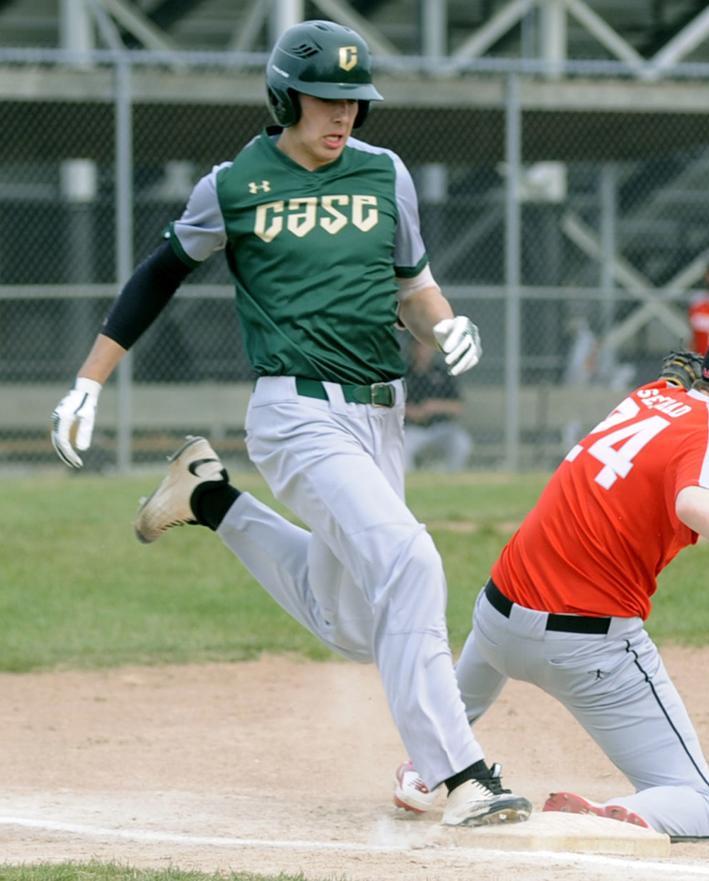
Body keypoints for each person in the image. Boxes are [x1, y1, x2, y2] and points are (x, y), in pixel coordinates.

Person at [48, 20, 530, 828]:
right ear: (284, 97)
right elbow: (156, 276)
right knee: (409, 558)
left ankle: (210, 500)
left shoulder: (386, 175)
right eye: (325, 98)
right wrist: (88, 381)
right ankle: (459, 774)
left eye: (355, 100)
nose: (342, 115)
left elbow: (413, 282)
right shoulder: (236, 184)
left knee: (352, 622)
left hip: (382, 415)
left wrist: (445, 323)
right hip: (296, 411)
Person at [395, 321, 709, 840]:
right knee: (702, 809)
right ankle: (602, 815)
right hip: (583, 649)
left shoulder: (649, 397)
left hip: (497, 618)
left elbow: (673, 392)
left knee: (479, 672)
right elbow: (694, 502)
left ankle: (423, 766)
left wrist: (682, 387)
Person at [403, 339, 473, 472]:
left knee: (461, 443)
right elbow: (392, 404)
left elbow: (458, 406)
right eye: (419, 346)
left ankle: (451, 478)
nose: (423, 351)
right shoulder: (404, 372)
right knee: (401, 448)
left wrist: (433, 406)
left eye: (427, 347)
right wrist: (411, 411)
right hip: (413, 428)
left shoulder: (442, 372)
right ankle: (412, 481)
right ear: (412, 349)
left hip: (441, 426)